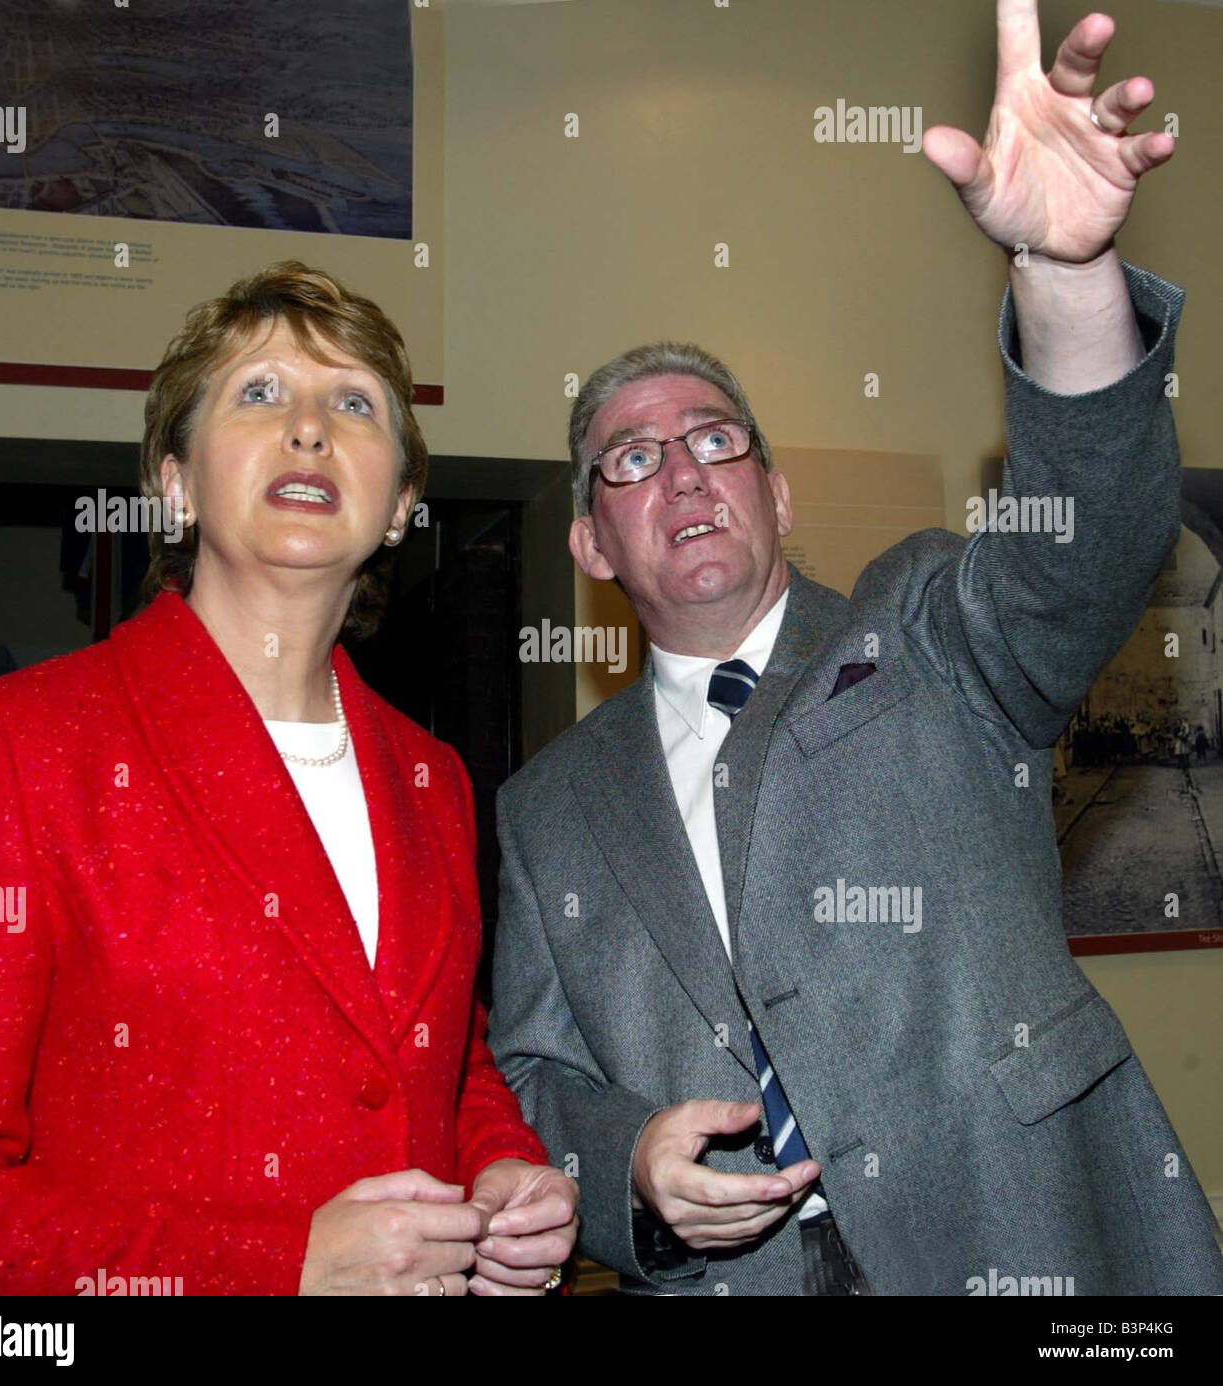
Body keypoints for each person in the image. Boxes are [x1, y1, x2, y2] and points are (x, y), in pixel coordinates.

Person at [488, 3, 1223, 1295]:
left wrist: (1063, 277)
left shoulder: (929, 627)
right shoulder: (543, 810)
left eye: (717, 439)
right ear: (595, 545)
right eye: (633, 458)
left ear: (779, 497)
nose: (684, 473)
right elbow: (530, 1083)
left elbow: (1088, 548)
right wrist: (632, 1171)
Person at [0, 262, 577, 1295]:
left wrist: (499, 1169)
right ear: (174, 482)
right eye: (260, 393)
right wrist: (278, 1269)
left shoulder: (432, 777)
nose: (310, 428)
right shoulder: (20, 742)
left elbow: (448, 1067)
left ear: (402, 502)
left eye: (353, 403)